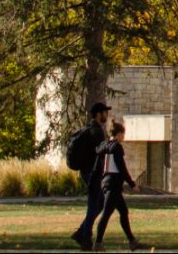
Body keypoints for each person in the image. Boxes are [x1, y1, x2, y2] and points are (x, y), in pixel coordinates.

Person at [94, 118, 148, 251]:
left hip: (106, 183)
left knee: (124, 211)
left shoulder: (104, 145)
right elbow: (121, 167)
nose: (124, 137)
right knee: (106, 214)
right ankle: (98, 243)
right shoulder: (116, 147)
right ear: (118, 134)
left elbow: (98, 160)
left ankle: (132, 241)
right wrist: (131, 183)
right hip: (113, 185)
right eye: (123, 134)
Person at [68, 102, 112, 252]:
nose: (107, 115)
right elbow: (100, 154)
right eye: (105, 112)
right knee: (94, 204)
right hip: (92, 173)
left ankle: (81, 233)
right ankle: (86, 239)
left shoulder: (93, 129)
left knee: (99, 203)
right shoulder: (96, 131)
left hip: (89, 171)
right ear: (99, 114)